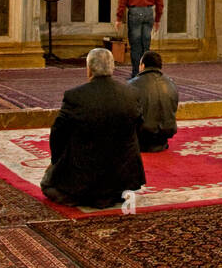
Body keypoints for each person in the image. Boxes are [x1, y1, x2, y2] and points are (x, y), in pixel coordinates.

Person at [41, 47, 145, 209]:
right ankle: (109, 194)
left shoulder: (75, 96)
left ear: (88, 69)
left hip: (84, 175)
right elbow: (139, 127)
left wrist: (57, 162)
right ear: (112, 68)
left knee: (47, 184)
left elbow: (58, 134)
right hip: (122, 176)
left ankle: (81, 197)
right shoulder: (132, 93)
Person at [116, 0, 164, 78]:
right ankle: (147, 73)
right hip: (149, 13)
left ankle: (136, 74)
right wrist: (157, 19)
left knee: (136, 45)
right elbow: (160, 2)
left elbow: (122, 0)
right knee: (146, 45)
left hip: (135, 12)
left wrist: (118, 18)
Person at [127, 50, 179, 152]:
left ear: (142, 65)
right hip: (164, 135)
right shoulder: (171, 84)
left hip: (142, 137)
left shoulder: (132, 85)